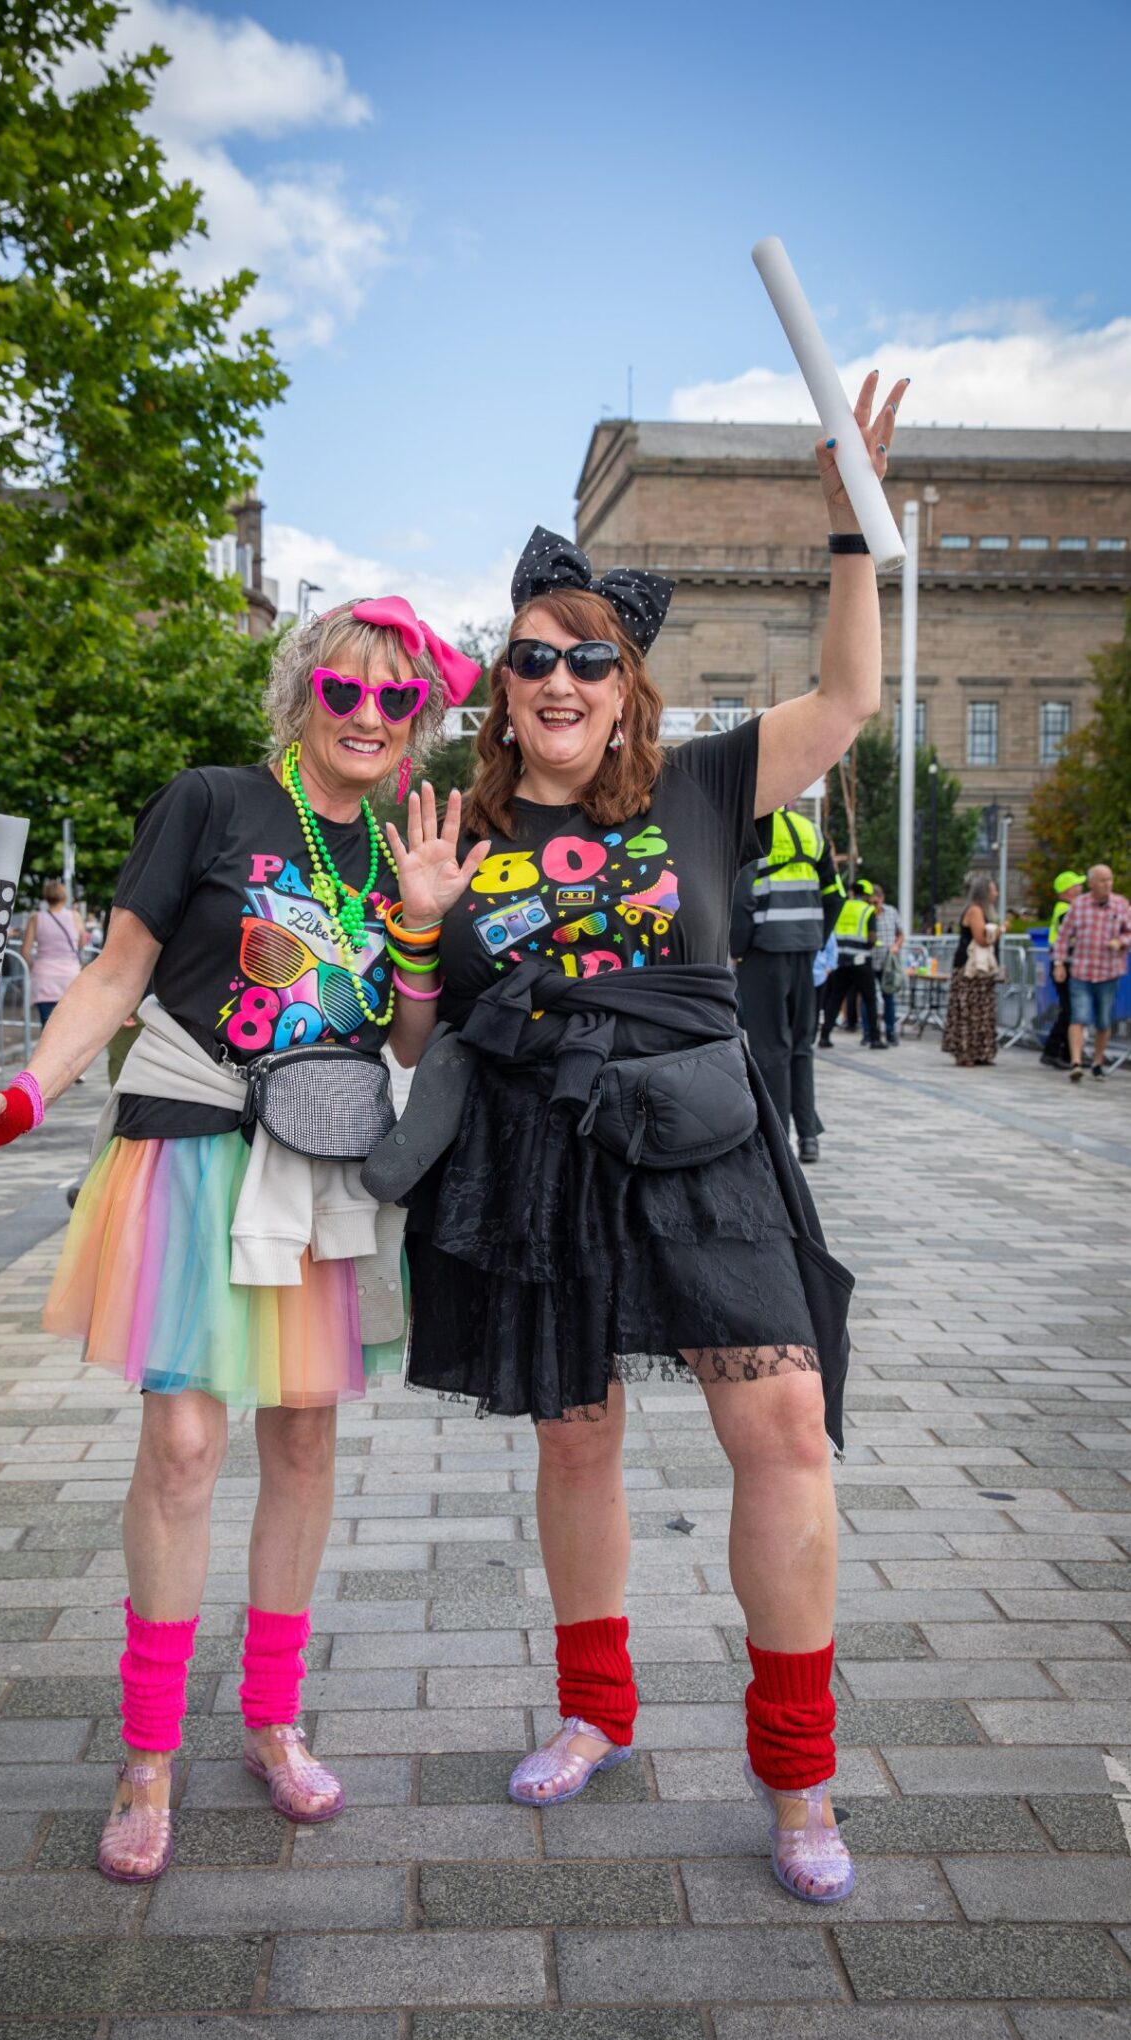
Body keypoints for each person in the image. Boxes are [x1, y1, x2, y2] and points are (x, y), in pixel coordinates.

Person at [381, 369, 906, 1908]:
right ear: (504, 685)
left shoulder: (700, 785)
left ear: (627, 690)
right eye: (536, 657)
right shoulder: (455, 836)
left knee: (785, 1429)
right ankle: (596, 1711)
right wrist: (420, 934)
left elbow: (851, 700)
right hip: (536, 1152)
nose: (561, 679)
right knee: (577, 1440)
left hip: (695, 1139)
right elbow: (418, 1048)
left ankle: (798, 1773)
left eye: (590, 661)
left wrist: (850, 534)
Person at [0, 596, 482, 1880]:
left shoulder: (404, 845)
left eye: (399, 699)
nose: (371, 717)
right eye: (346, 691)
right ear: (303, 695)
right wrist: (24, 1093)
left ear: (423, 718)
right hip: (188, 1139)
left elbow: (404, 1048)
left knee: (306, 1436)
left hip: (318, 1162)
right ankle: (148, 1748)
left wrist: (428, 926)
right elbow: (114, 972)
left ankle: (272, 1716)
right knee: (182, 1438)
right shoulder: (212, 802)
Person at [732, 803, 845, 1163]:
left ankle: (777, 1140)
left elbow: (742, 898)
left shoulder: (753, 829)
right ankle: (808, 1136)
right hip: (804, 947)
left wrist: (738, 949)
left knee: (770, 1048)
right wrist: (816, 937)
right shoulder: (810, 831)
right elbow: (835, 894)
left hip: (765, 951)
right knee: (801, 1045)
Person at [1053, 864, 1131, 1082]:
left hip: (1108, 971)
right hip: (1082, 970)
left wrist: (1120, 941)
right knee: (1078, 1016)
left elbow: (1129, 931)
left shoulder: (1121, 904)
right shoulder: (1079, 906)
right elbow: (1063, 936)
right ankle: (1076, 1062)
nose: (1107, 884)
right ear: (1092, 884)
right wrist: (1059, 963)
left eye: (1110, 880)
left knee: (1104, 1021)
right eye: (1102, 880)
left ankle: (1097, 1061)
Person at [941, 877, 1005, 1067]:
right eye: (994, 890)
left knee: (983, 1010)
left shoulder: (984, 911)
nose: (996, 894)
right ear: (985, 892)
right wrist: (1001, 930)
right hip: (969, 968)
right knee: (969, 1009)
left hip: (982, 970)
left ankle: (981, 1051)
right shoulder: (975, 910)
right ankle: (965, 1050)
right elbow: (982, 939)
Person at [820, 879, 884, 1049]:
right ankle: (875, 1038)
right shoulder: (867, 910)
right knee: (870, 1000)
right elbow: (872, 937)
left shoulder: (842, 906)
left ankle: (824, 1036)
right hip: (861, 961)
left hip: (840, 961)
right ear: (867, 895)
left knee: (835, 999)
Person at [22, 880, 87, 1029]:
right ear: (64, 897)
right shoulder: (75, 917)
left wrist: (36, 966)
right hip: (69, 976)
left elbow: (25, 951)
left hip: (44, 977)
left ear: (46, 898)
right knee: (69, 1027)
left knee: (47, 1028)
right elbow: (82, 943)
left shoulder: (35, 918)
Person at [1039, 870, 1085, 1069]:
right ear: (1067, 891)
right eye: (1076, 885)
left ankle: (1070, 1054)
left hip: (1068, 964)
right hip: (1063, 965)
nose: (1081, 888)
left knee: (1073, 1011)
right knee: (1070, 1011)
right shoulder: (1064, 910)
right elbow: (1074, 933)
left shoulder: (1067, 908)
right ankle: (1053, 1051)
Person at [869, 883, 904, 1046]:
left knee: (888, 996)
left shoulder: (891, 912)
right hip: (870, 959)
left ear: (882, 899)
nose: (874, 906)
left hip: (887, 961)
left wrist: (896, 946)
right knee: (868, 998)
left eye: (876, 903)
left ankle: (890, 1031)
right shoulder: (867, 913)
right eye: (871, 903)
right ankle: (869, 1031)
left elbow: (900, 933)